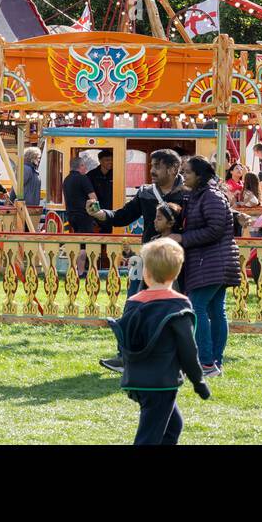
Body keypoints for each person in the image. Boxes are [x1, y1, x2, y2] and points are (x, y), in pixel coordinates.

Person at [106, 237, 210, 445]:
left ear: (146, 272)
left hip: (136, 377)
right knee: (149, 438)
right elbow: (188, 348)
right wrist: (199, 381)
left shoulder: (134, 302)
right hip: (161, 382)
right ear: (177, 272)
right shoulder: (179, 304)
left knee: (173, 426)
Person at [92, 149, 187, 373]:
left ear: (173, 169)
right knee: (133, 308)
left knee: (176, 312)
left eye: (157, 166)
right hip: (148, 260)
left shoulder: (189, 192)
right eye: (151, 165)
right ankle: (125, 356)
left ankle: (179, 358)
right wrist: (100, 214)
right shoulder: (146, 192)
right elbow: (124, 215)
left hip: (179, 262)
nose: (152, 170)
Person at [163, 156, 241, 378]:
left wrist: (183, 238)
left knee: (197, 308)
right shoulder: (200, 195)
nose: (184, 175)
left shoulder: (210, 196)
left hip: (213, 261)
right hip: (214, 261)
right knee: (215, 311)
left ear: (199, 175)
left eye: (187, 172)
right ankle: (214, 363)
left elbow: (215, 229)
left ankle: (206, 362)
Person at [61, 153, 101, 232]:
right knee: (87, 241)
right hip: (83, 216)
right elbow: (93, 198)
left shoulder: (66, 179)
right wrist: (98, 215)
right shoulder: (83, 178)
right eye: (84, 166)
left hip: (71, 216)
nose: (86, 168)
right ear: (81, 166)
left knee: (78, 239)